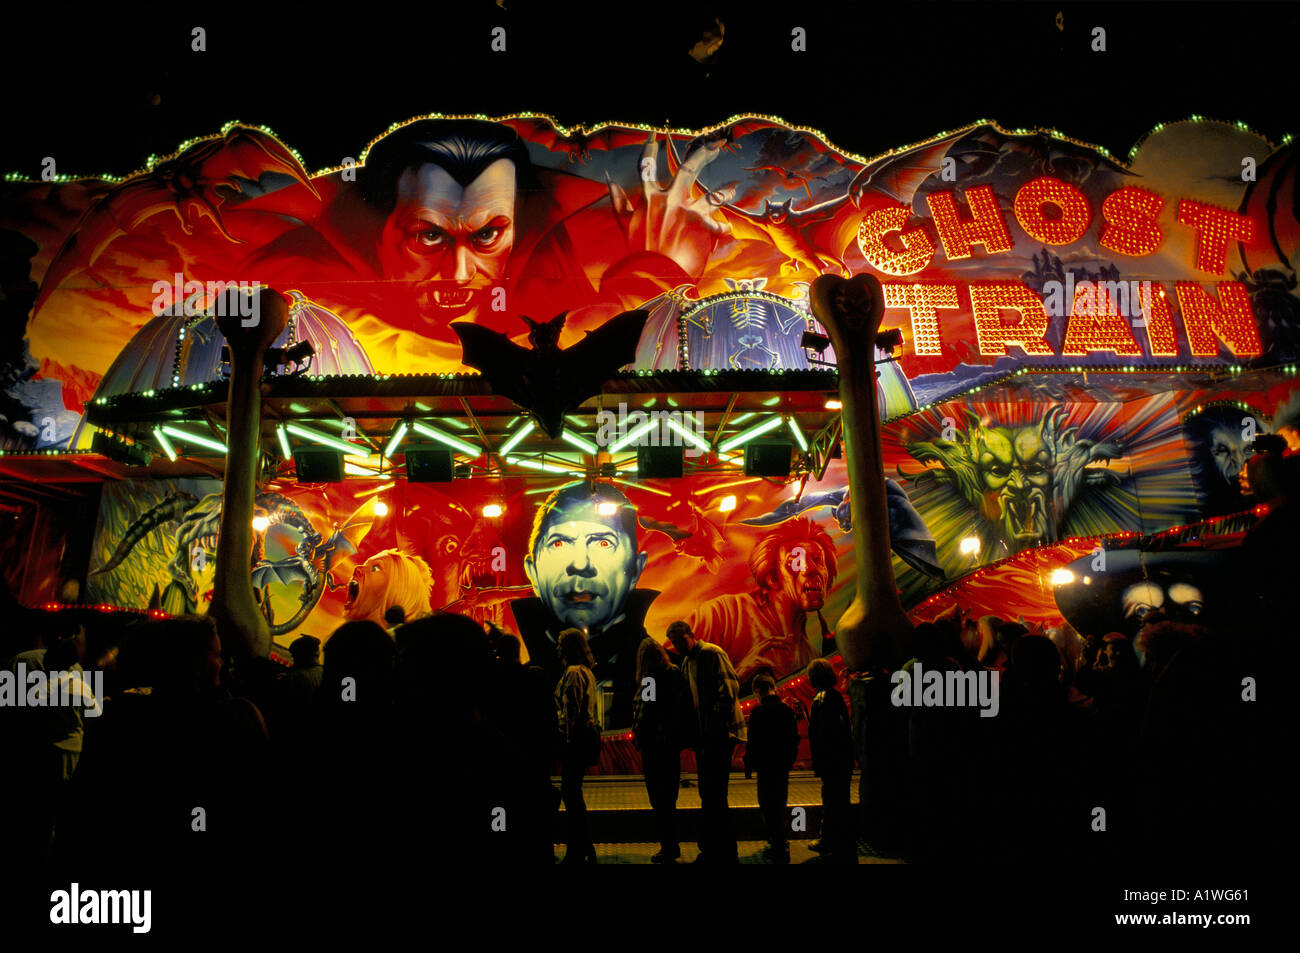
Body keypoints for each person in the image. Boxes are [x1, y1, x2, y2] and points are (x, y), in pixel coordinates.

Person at [511, 481, 658, 727]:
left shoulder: (657, 670)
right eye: (559, 543)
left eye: (603, 542)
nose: (580, 564)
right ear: (532, 572)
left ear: (635, 569)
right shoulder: (523, 682)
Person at [687, 518, 837, 687]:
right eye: (795, 562)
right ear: (773, 578)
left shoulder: (809, 654)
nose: (811, 569)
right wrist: (741, 673)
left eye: (817, 560)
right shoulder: (722, 614)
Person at [666, 619, 745, 864]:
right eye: (675, 643)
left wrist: (714, 726)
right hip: (707, 738)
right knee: (711, 794)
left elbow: (730, 689)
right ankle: (716, 848)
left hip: (718, 736)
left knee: (715, 795)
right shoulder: (688, 661)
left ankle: (722, 850)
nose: (678, 646)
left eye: (681, 641)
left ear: (691, 635)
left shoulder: (711, 653)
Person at [631, 636, 693, 863]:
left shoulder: (649, 679)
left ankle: (668, 846)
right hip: (671, 744)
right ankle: (673, 844)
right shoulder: (675, 673)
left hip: (653, 746)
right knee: (670, 797)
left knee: (658, 799)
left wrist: (637, 734)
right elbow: (685, 705)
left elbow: (645, 711)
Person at [743, 673, 800, 863]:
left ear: (758, 691)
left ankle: (777, 845)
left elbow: (753, 742)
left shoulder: (759, 713)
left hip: (765, 767)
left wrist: (749, 765)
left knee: (768, 805)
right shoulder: (786, 710)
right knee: (780, 803)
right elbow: (794, 738)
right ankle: (781, 843)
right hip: (781, 765)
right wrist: (789, 760)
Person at [555, 628, 599, 865]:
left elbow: (571, 712)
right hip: (586, 738)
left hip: (575, 741)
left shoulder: (572, 673)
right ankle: (586, 848)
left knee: (571, 796)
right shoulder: (587, 672)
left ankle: (576, 851)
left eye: (561, 645)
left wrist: (567, 744)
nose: (557, 649)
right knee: (574, 795)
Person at [807, 658, 855, 863]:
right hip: (843, 758)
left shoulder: (820, 699)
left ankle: (828, 840)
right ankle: (844, 840)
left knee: (831, 799)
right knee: (841, 800)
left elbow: (820, 733)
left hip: (830, 759)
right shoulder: (836, 697)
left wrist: (820, 761)